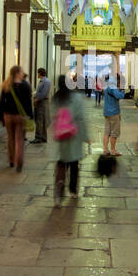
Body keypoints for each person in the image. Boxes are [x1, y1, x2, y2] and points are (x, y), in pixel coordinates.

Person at [51, 73, 89, 205]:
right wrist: (86, 136)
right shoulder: (77, 98)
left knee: (61, 163)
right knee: (74, 164)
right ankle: (73, 190)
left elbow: (52, 116)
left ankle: (58, 191)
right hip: (74, 135)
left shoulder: (56, 98)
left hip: (61, 135)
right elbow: (81, 118)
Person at [0, 65, 33, 172]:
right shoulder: (25, 85)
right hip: (20, 116)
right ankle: (19, 162)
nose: (22, 73)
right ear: (17, 73)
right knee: (19, 139)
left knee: (10, 138)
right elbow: (28, 103)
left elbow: (1, 101)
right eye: (21, 71)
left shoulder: (6, 85)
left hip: (8, 115)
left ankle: (11, 160)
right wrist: (30, 115)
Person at [101, 73, 124, 155]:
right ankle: (113, 150)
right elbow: (119, 96)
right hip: (113, 112)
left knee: (107, 131)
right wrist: (122, 90)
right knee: (114, 132)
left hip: (106, 111)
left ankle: (105, 149)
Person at [31, 67, 51, 144]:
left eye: (37, 73)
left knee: (40, 120)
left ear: (40, 73)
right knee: (41, 120)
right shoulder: (42, 81)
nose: (37, 74)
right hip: (40, 102)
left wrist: (36, 100)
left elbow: (44, 93)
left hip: (42, 103)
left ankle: (38, 137)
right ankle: (43, 137)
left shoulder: (46, 81)